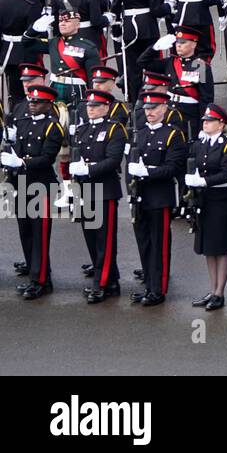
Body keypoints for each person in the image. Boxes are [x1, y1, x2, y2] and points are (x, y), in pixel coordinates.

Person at [126, 90, 186, 306]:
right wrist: (130, 191)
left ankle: (158, 289)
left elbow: (172, 167)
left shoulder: (173, 135)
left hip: (160, 197)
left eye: (154, 108)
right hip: (140, 197)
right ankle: (148, 285)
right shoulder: (139, 134)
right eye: (147, 109)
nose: (149, 112)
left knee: (159, 244)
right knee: (144, 243)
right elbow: (129, 168)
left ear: (164, 109)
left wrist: (148, 173)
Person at [68, 89, 127, 303]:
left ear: (106, 107)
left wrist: (89, 170)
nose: (90, 109)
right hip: (85, 191)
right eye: (89, 106)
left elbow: (113, 160)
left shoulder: (114, 130)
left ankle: (101, 283)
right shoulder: (81, 129)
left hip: (105, 190)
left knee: (105, 239)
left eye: (95, 106)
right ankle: (110, 280)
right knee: (91, 238)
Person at [185, 104, 227, 312]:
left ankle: (220, 292)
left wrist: (203, 181)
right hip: (203, 199)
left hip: (219, 198)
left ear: (221, 124)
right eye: (204, 121)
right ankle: (212, 288)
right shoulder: (200, 144)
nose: (205, 123)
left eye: (210, 121)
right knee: (208, 246)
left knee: (220, 246)